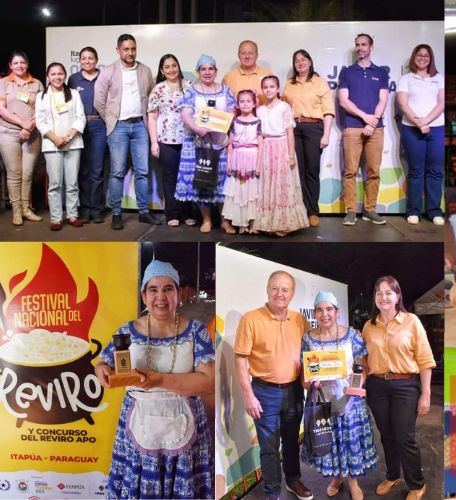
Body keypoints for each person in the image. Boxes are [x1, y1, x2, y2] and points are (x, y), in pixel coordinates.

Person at [94, 260, 214, 499]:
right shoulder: (128, 330)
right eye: (153, 289)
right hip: (138, 422)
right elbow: (103, 361)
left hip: (185, 421)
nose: (161, 296)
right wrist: (101, 370)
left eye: (168, 288)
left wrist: (158, 380)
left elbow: (207, 383)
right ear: (143, 295)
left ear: (179, 293)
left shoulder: (196, 331)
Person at [234, 270, 314, 500]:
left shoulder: (300, 319)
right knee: (269, 448)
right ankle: (272, 492)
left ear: (292, 293)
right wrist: (248, 396)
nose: (280, 294)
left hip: (294, 391)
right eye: (275, 288)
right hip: (264, 392)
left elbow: (312, 350)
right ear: (268, 290)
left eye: (285, 289)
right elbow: (240, 360)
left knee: (291, 440)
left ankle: (292, 480)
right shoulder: (251, 319)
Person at [361, 276, 436, 500]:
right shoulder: (369, 326)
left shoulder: (411, 321)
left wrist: (426, 394)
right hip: (377, 387)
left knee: (405, 436)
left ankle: (417, 484)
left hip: (405, 385)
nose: (383, 297)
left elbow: (425, 360)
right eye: (379, 293)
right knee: (387, 435)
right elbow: (363, 360)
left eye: (388, 293)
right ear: (375, 298)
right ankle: (392, 475)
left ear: (397, 296)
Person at [300, 292, 377, 500]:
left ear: (337, 312)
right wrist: (311, 383)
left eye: (329, 309)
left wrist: (352, 389)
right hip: (323, 401)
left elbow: (362, 366)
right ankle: (335, 478)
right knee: (329, 441)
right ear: (314, 313)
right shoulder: (308, 339)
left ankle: (353, 482)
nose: (324, 314)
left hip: (349, 402)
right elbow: (305, 375)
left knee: (349, 443)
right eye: (319, 310)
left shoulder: (351, 335)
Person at [94, 33, 161, 230]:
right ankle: (116, 213)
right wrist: (111, 121)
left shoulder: (145, 71)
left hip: (140, 126)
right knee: (117, 172)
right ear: (118, 50)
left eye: (133, 48)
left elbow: (150, 97)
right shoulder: (108, 72)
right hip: (118, 127)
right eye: (126, 49)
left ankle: (143, 212)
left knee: (142, 171)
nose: (130, 52)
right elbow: (99, 101)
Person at [175, 54, 237, 234]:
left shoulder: (225, 90)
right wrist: (197, 128)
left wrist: (224, 125)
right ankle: (207, 220)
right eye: (204, 69)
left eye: (211, 69)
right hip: (197, 143)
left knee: (221, 181)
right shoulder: (192, 91)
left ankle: (225, 221)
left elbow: (232, 111)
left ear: (216, 71)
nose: (207, 72)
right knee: (203, 179)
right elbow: (186, 114)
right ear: (198, 72)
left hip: (220, 143)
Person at [338, 34, 389, 226]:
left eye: (364, 44)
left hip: (376, 129)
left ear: (371, 47)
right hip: (352, 128)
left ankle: (370, 210)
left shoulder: (382, 73)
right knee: (350, 171)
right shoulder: (347, 72)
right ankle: (351, 211)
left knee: (374, 171)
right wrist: (365, 117)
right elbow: (344, 101)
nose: (360, 48)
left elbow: (383, 100)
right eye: (357, 45)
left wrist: (372, 122)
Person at [284, 49, 333, 228]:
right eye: (297, 60)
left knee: (312, 170)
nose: (300, 63)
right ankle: (299, 210)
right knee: (297, 171)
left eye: (304, 59)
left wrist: (326, 134)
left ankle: (312, 212)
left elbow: (328, 111)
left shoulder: (320, 82)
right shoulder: (290, 84)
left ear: (310, 62)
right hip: (294, 128)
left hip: (314, 128)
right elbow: (283, 109)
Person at [397, 44, 445, 226]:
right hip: (411, 128)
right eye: (419, 55)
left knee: (435, 170)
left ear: (431, 58)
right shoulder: (406, 78)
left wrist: (426, 122)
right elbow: (402, 104)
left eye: (426, 55)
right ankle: (413, 211)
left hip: (436, 128)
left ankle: (434, 211)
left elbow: (441, 104)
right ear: (414, 57)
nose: (422, 58)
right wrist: (418, 123)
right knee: (416, 170)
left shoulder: (439, 78)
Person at [35, 62, 85, 230]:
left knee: (72, 183)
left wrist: (69, 136)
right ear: (48, 76)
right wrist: (55, 138)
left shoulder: (73, 94)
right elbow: (40, 122)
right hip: (52, 145)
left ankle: (72, 215)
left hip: (73, 143)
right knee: (55, 183)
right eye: (53, 74)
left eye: (60, 74)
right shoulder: (41, 96)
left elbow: (80, 118)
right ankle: (56, 218)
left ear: (65, 76)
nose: (57, 77)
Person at [256, 75, 308, 236]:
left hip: (282, 147)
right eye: (265, 87)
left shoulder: (284, 107)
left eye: (272, 86)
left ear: (277, 89)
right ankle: (268, 222)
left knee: (283, 185)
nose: (269, 89)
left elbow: (289, 131)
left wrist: (291, 154)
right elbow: (260, 135)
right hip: (267, 148)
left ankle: (284, 223)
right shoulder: (260, 110)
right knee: (269, 184)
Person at [147, 54, 194, 227]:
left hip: (189, 139)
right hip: (166, 139)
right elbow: (152, 117)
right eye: (167, 67)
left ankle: (187, 213)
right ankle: (172, 214)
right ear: (161, 70)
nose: (171, 69)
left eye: (174, 65)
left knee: (187, 177)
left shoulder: (190, 86)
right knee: (169, 177)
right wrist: (154, 142)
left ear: (178, 67)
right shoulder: (158, 89)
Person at [0, 50, 43, 226]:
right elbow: (1, 110)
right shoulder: (3, 83)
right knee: (14, 174)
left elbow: (41, 109)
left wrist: (29, 126)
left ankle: (26, 209)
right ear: (10, 65)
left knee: (27, 174)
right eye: (16, 63)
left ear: (27, 64)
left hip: (32, 134)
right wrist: (22, 123)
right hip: (8, 132)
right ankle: (16, 211)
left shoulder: (36, 83)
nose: (19, 66)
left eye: (22, 62)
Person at [68, 46, 108, 223]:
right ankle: (84, 209)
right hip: (79, 126)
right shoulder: (73, 79)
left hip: (100, 124)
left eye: (90, 58)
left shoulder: (104, 76)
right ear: (79, 61)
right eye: (83, 58)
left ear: (96, 59)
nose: (87, 61)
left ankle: (97, 209)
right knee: (82, 170)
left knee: (97, 170)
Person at [222, 89, 262, 233]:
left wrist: (258, 164)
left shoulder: (258, 122)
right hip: (238, 158)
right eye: (242, 102)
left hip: (252, 156)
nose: (245, 104)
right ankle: (241, 223)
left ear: (254, 104)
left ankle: (253, 223)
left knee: (252, 191)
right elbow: (231, 143)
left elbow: (261, 144)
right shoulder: (235, 122)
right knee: (239, 190)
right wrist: (229, 161)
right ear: (238, 104)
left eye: (248, 101)